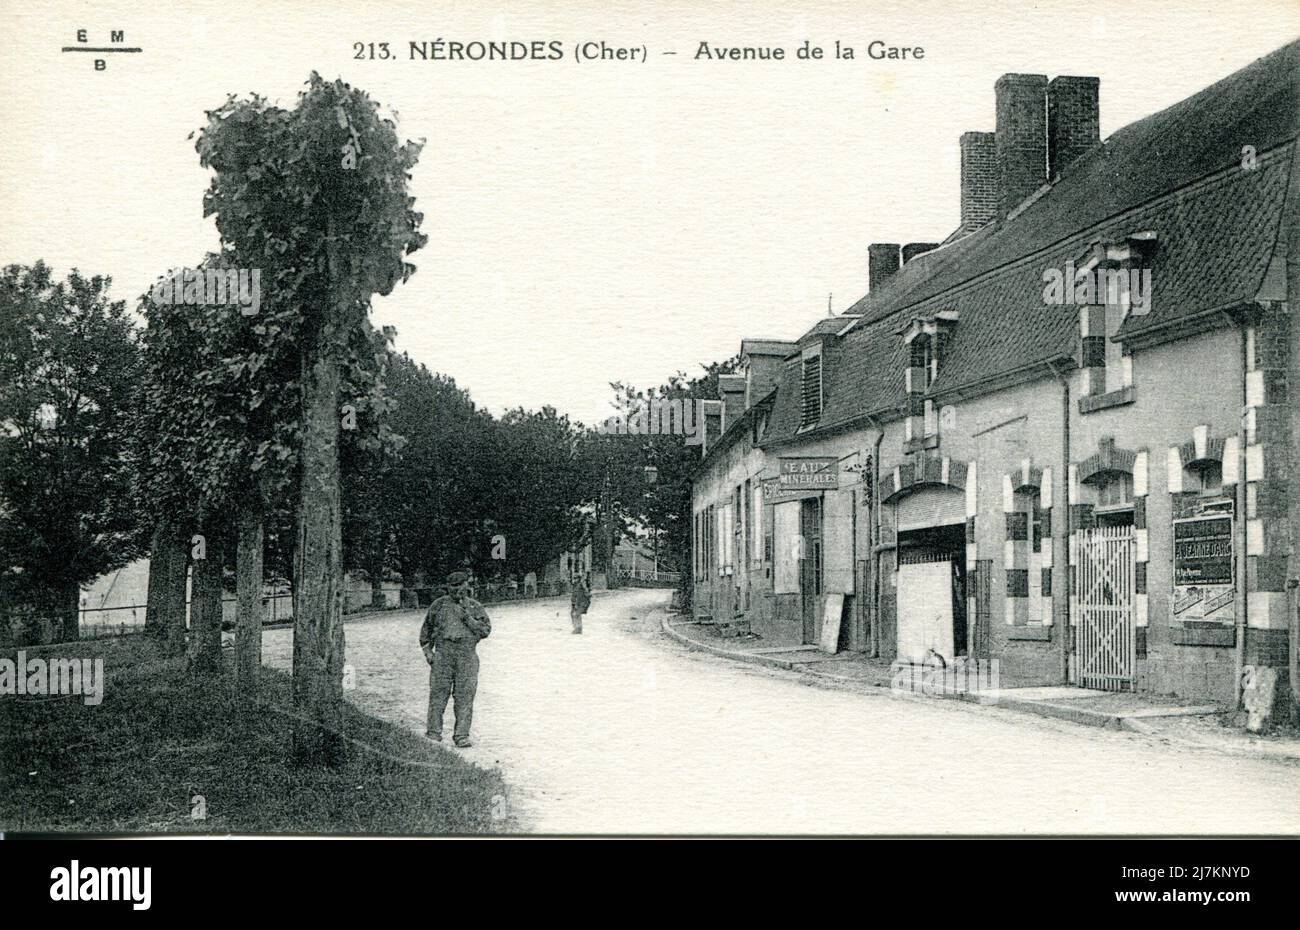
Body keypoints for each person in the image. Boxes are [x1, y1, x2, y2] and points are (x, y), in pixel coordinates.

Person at [420, 570, 491, 748]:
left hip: (467, 655)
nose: (457, 589)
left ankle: (461, 735)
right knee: (438, 695)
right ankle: (433, 733)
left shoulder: (475, 607)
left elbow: (485, 631)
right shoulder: (438, 606)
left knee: (465, 696)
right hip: (443, 654)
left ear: (468, 585)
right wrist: (429, 653)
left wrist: (467, 618)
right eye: (453, 586)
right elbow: (425, 634)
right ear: (447, 587)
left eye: (461, 585)